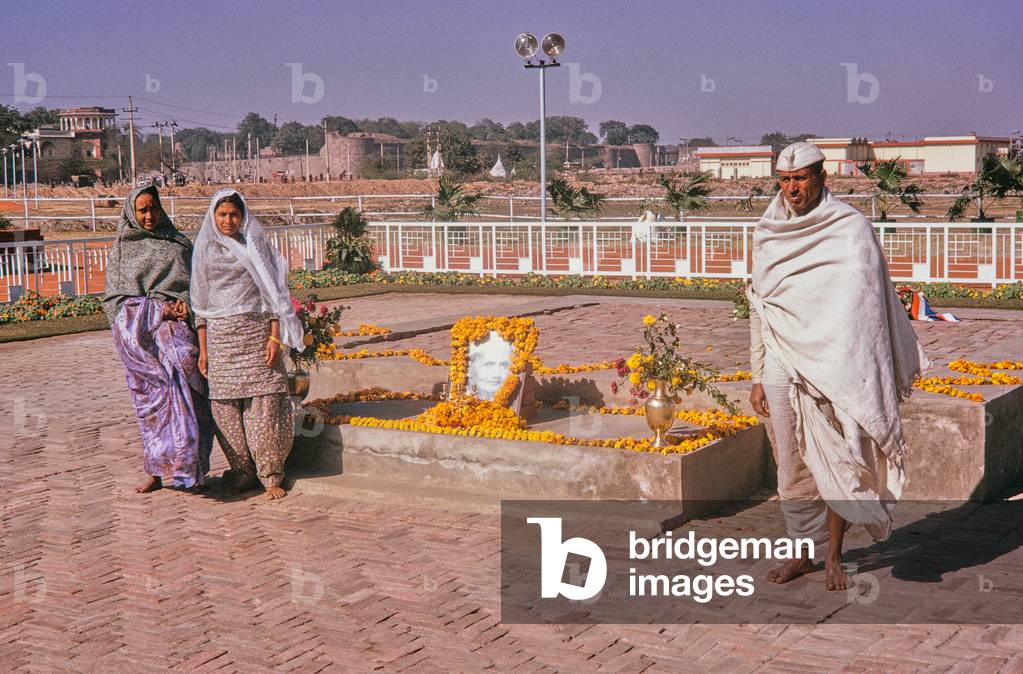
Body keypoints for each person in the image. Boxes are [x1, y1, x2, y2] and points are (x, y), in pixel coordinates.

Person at [747, 142, 930, 591]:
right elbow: (760, 306)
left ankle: (832, 554)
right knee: (790, 466)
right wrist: (756, 373)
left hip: (835, 362)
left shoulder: (849, 228)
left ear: (821, 178)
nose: (793, 188)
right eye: (786, 180)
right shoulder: (767, 231)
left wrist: (852, 363)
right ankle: (800, 552)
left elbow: (865, 306)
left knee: (840, 459)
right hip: (780, 360)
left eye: (802, 178)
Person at [191, 189, 304, 500]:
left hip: (256, 338)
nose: (228, 220)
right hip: (221, 342)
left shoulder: (254, 247)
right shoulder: (204, 252)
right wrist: (204, 348)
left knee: (264, 407)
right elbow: (200, 306)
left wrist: (274, 336)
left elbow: (273, 293)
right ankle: (242, 471)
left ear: (243, 217)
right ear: (213, 217)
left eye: (234, 214)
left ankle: (270, 474)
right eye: (223, 214)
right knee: (225, 413)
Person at [104, 185, 214, 494]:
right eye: (142, 210)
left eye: (153, 208)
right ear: (131, 213)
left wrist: (184, 305)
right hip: (145, 342)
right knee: (152, 408)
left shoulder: (178, 243)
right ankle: (155, 471)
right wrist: (158, 310)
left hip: (180, 333)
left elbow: (199, 287)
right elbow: (116, 303)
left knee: (192, 398)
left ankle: (192, 470)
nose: (149, 215)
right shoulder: (123, 250)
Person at [466, 331, 514, 401]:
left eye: (504, 365)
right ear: (469, 368)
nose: (496, 374)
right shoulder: (459, 398)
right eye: (488, 365)